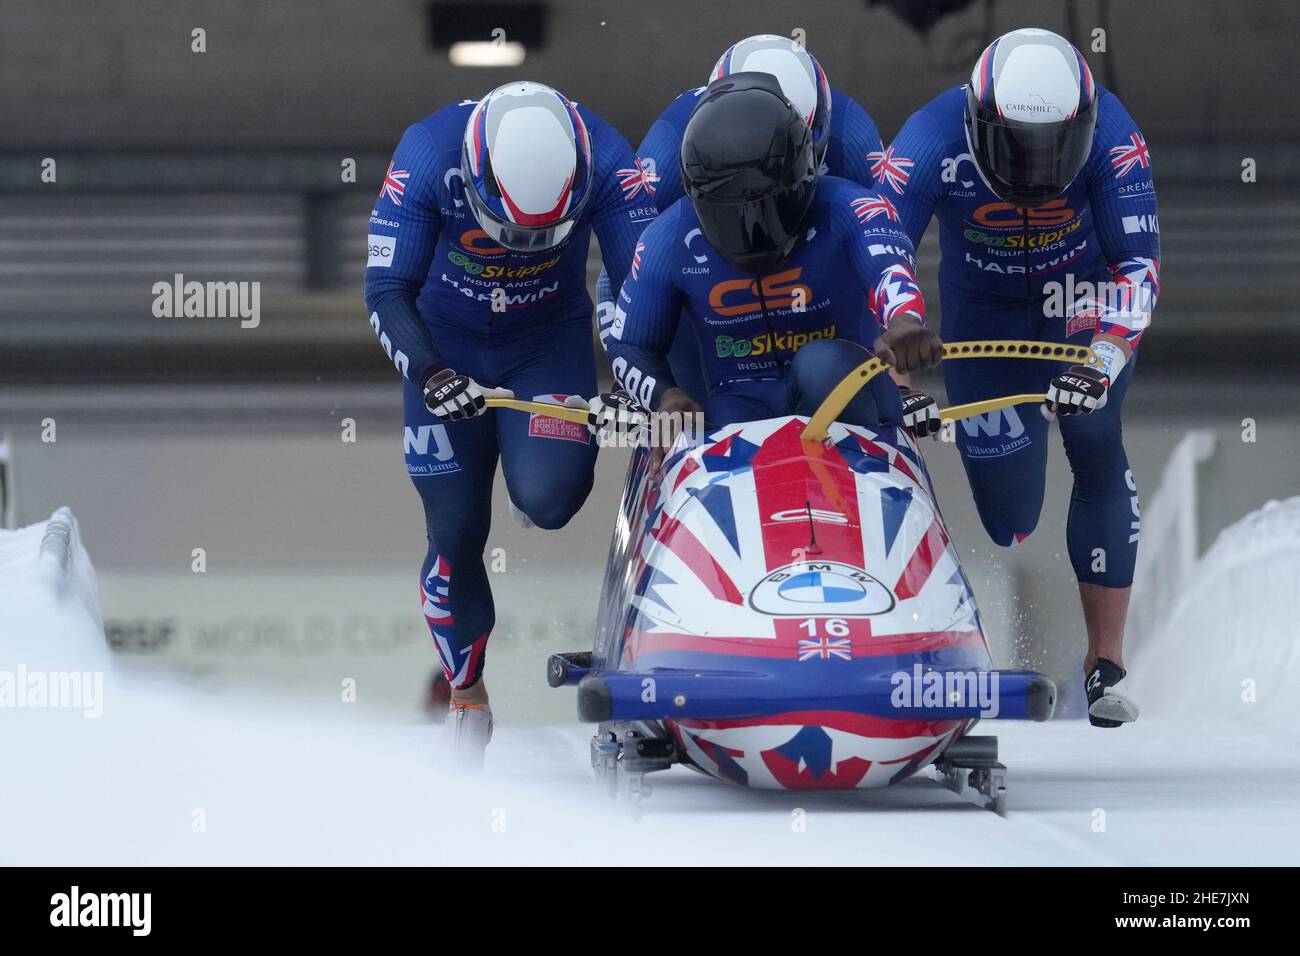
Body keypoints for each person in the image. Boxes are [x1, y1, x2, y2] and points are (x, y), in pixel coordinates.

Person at [363, 81, 652, 767]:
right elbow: (384, 289)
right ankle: (467, 694)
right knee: (456, 533)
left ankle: (530, 478)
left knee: (549, 501)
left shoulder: (611, 162)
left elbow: (643, 283)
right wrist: (430, 372)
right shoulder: (428, 154)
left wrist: (631, 379)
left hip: (543, 343)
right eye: (512, 229)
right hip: (446, 340)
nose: (524, 246)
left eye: (540, 235)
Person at [880, 27, 1160, 726]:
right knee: (1011, 519)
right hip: (988, 323)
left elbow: (1137, 268)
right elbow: (878, 244)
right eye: (1019, 148)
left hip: (1081, 306)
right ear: (980, 122)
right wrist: (903, 331)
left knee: (1094, 431)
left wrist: (1101, 360)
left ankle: (1107, 664)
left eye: (1054, 149)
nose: (1036, 169)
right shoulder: (928, 140)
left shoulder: (1117, 139)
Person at [605, 72, 943, 442]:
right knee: (720, 418)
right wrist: (664, 398)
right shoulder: (665, 239)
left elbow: (889, 270)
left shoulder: (853, 209)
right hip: (737, 405)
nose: (751, 227)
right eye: (728, 212)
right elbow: (631, 343)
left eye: (770, 205)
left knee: (823, 367)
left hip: (845, 391)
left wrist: (905, 322)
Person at [597, 34, 890, 403]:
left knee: (833, 369)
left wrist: (894, 362)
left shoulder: (853, 136)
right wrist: (643, 385)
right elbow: (626, 266)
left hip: (815, 296)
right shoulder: (671, 147)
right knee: (687, 397)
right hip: (714, 308)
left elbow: (881, 251)